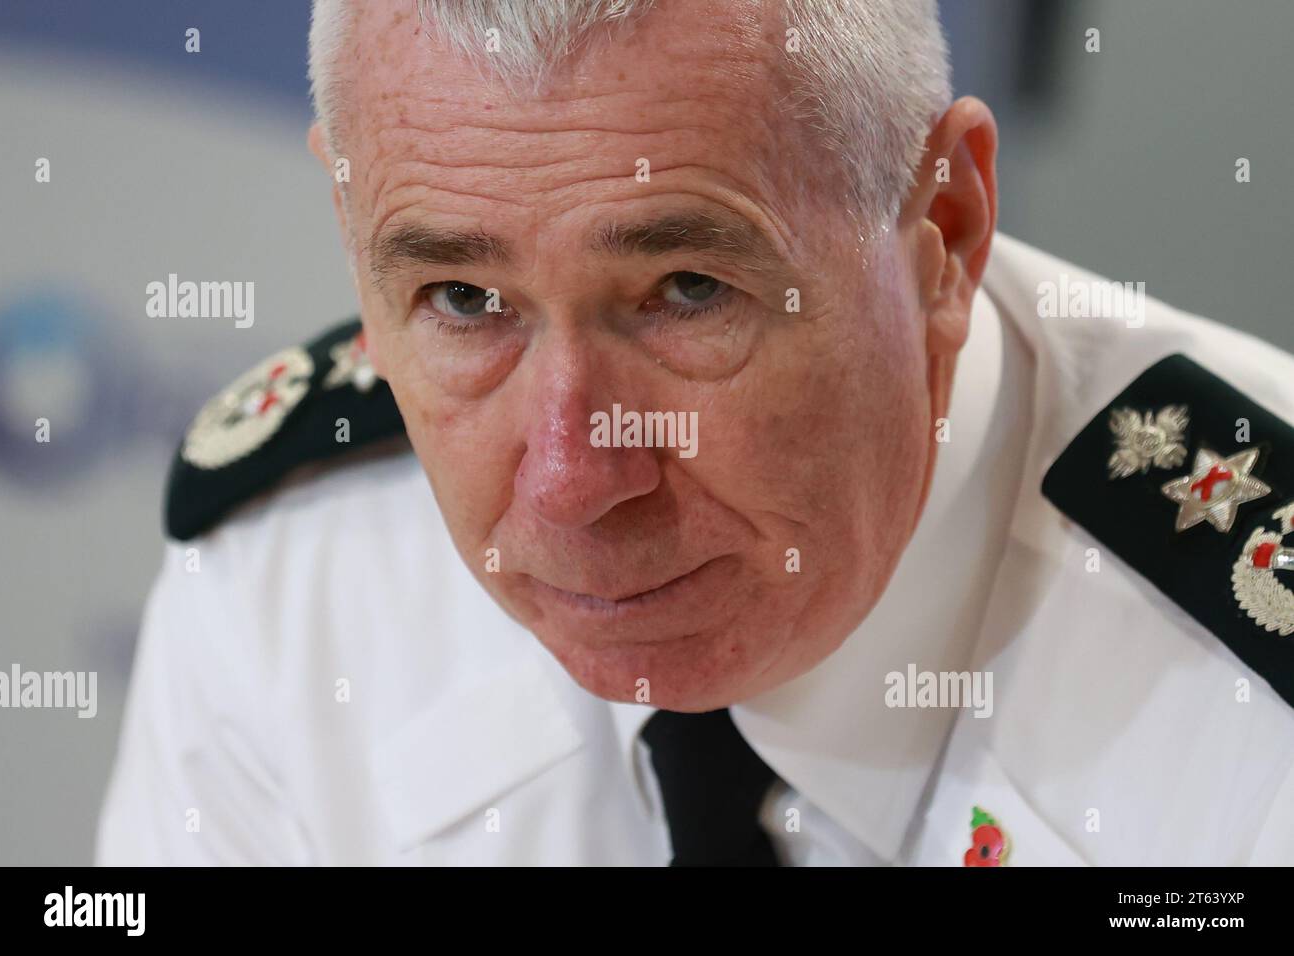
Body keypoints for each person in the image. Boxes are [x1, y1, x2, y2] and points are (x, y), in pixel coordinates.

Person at [97, 0, 1294, 866]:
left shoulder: (1253, 716)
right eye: (464, 300)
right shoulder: (284, 576)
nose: (571, 481)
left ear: (945, 222)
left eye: (686, 290)